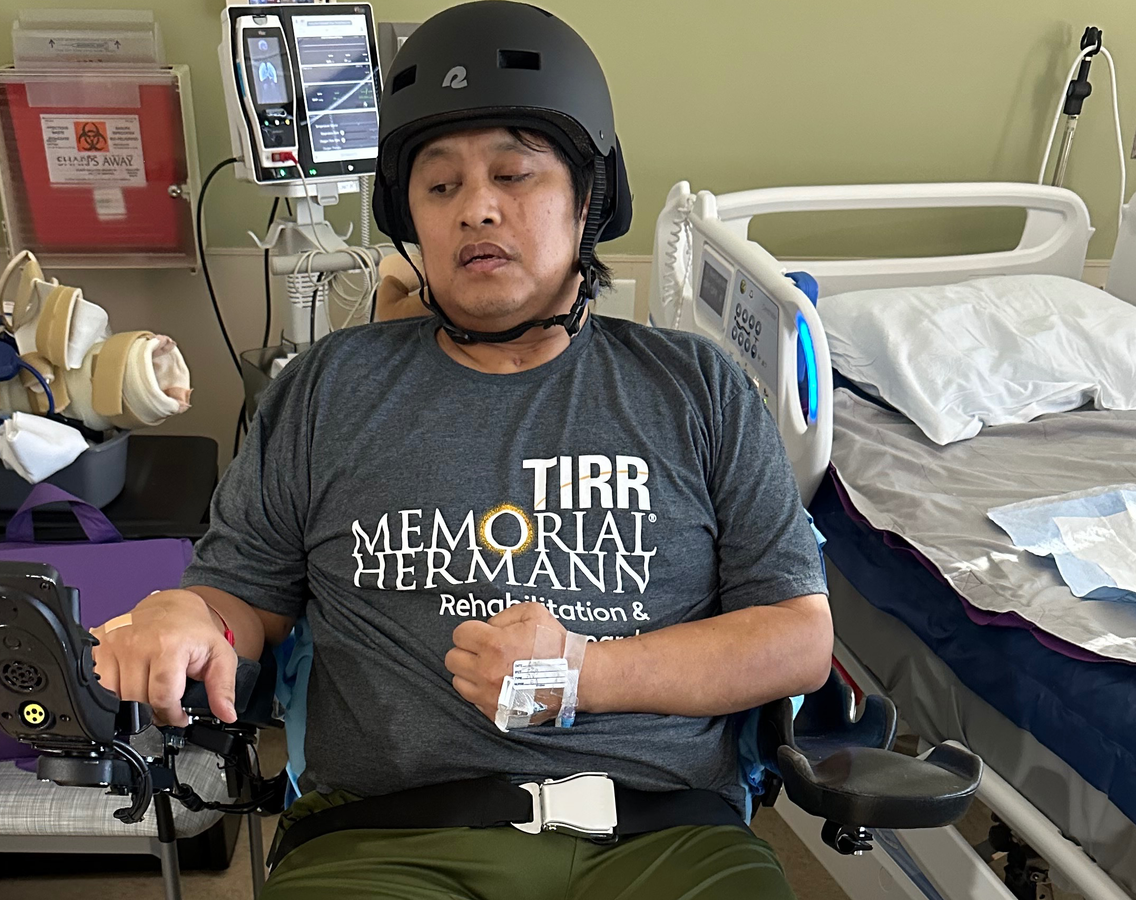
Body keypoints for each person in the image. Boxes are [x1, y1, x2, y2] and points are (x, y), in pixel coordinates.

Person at [90, 3, 832, 897]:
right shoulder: (327, 390)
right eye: (440, 187)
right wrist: (188, 615)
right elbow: (243, 598)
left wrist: (586, 674)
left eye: (514, 174)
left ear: (589, 198)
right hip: (384, 841)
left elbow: (797, 638)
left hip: (661, 835)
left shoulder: (697, 389)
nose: (477, 207)